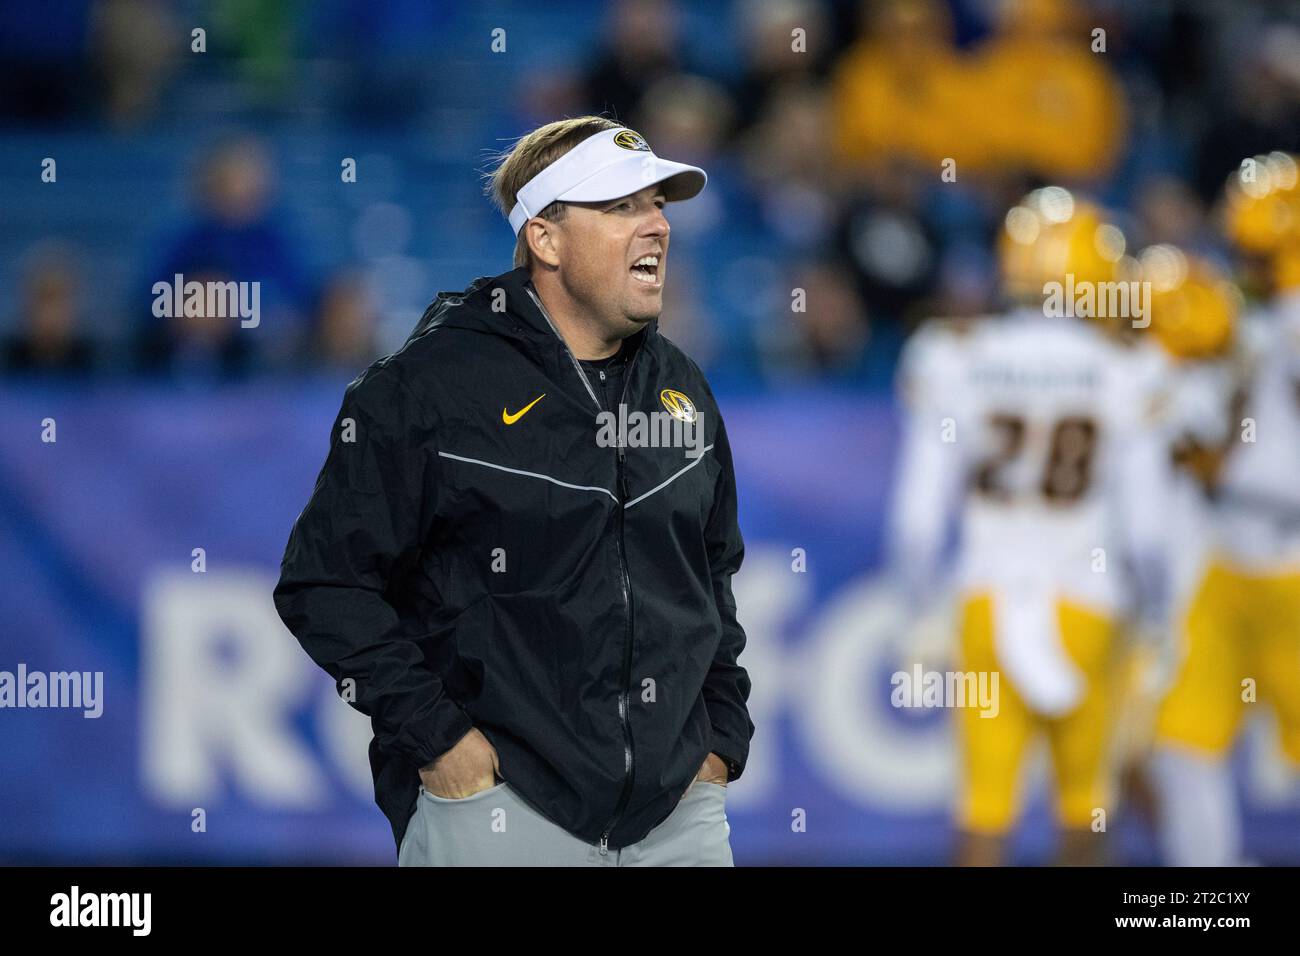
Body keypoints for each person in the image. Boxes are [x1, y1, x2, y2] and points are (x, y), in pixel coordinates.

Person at [273, 116, 754, 866]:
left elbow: (712, 576)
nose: (657, 224)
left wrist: (721, 741)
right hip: (503, 813)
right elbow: (323, 583)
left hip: (677, 819)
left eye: (657, 203)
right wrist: (442, 741)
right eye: (621, 206)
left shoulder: (681, 390)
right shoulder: (428, 389)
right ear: (545, 238)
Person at [888, 188, 1170, 865]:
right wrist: (1159, 616)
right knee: (1088, 806)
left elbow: (917, 518)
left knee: (984, 808)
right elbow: (1149, 528)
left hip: (986, 595)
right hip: (1088, 603)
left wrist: (919, 607)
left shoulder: (955, 353)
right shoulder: (1127, 368)